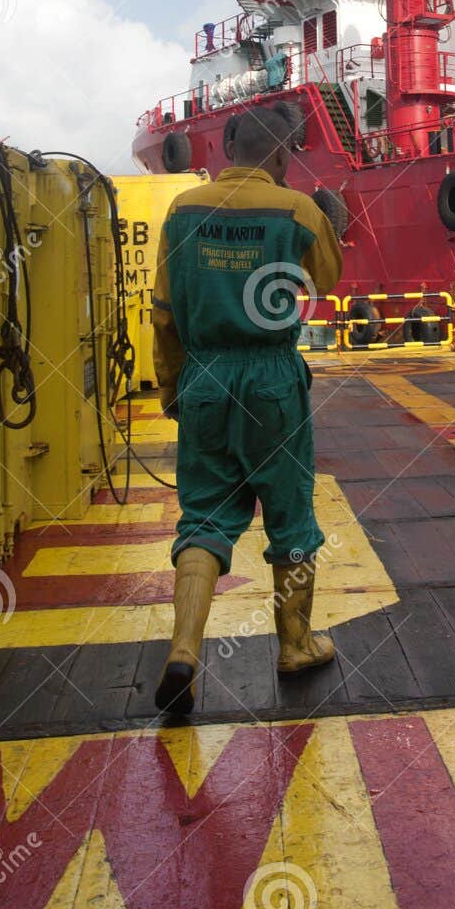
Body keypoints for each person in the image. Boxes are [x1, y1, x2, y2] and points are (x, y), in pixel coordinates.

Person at [151, 105, 343, 714]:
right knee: (290, 515)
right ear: (285, 155)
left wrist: (174, 387)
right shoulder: (300, 211)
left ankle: (184, 650)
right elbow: (329, 280)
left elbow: (164, 312)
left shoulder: (182, 211)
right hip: (271, 383)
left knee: (203, 520)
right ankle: (295, 645)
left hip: (205, 376)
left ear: (226, 149)